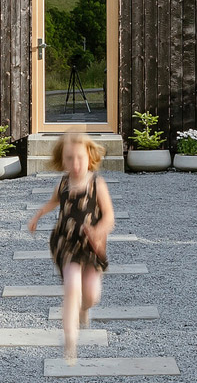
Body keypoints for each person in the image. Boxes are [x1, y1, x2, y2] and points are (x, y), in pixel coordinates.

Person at [25, 132, 114, 361]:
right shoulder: (63, 183)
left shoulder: (97, 184)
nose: (75, 165)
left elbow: (109, 218)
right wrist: (38, 215)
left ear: (89, 158)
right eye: (70, 159)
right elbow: (53, 202)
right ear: (63, 160)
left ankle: (85, 309)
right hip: (66, 243)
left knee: (91, 295)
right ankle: (70, 342)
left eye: (80, 158)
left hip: (90, 246)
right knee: (71, 289)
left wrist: (98, 231)